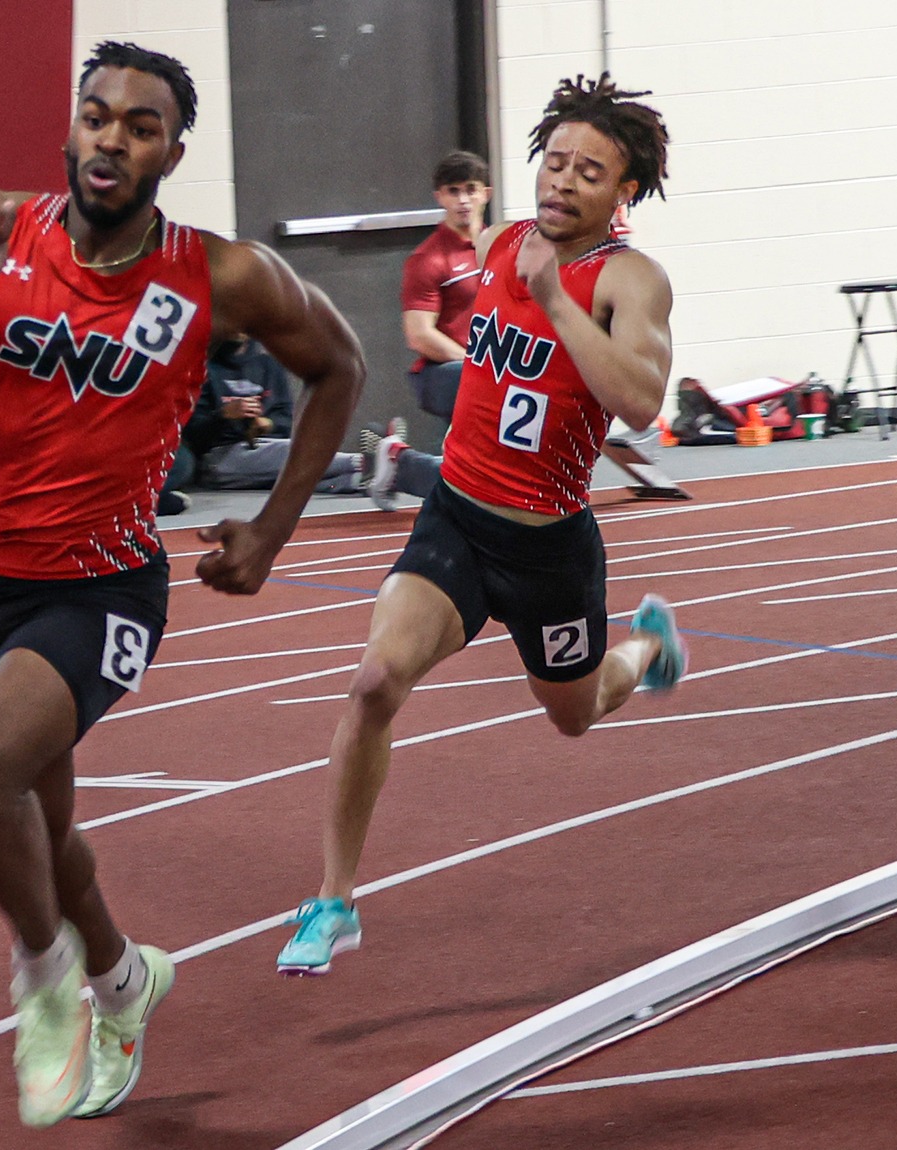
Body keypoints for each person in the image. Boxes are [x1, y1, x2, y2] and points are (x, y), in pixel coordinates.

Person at [0, 42, 365, 1127]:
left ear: (171, 152)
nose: (110, 139)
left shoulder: (215, 274)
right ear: (71, 129)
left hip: (100, 587)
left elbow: (340, 367)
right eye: (96, 117)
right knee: (38, 833)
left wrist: (272, 533)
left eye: (139, 126)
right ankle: (123, 979)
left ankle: (44, 984)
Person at [276, 74, 689, 977]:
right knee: (376, 679)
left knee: (575, 718)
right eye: (555, 161)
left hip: (549, 547)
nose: (564, 181)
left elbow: (639, 403)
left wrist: (560, 303)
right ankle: (334, 900)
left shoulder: (628, 279)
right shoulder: (504, 245)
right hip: (459, 515)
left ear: (624, 191)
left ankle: (647, 651)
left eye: (590, 171)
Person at [175, 337, 364, 494]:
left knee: (301, 461)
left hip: (270, 452)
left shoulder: (268, 365)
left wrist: (267, 424)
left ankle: (358, 480)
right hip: (219, 459)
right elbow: (191, 435)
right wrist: (223, 416)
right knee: (290, 451)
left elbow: (286, 420)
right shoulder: (202, 368)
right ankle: (362, 462)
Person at [401, 149, 489, 423]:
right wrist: (476, 365)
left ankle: (398, 457)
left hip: (494, 367)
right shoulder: (427, 259)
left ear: (485, 193)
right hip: (444, 370)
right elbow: (419, 335)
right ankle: (400, 459)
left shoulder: (504, 247)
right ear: (440, 196)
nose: (463, 200)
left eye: (471, 190)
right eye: (453, 191)